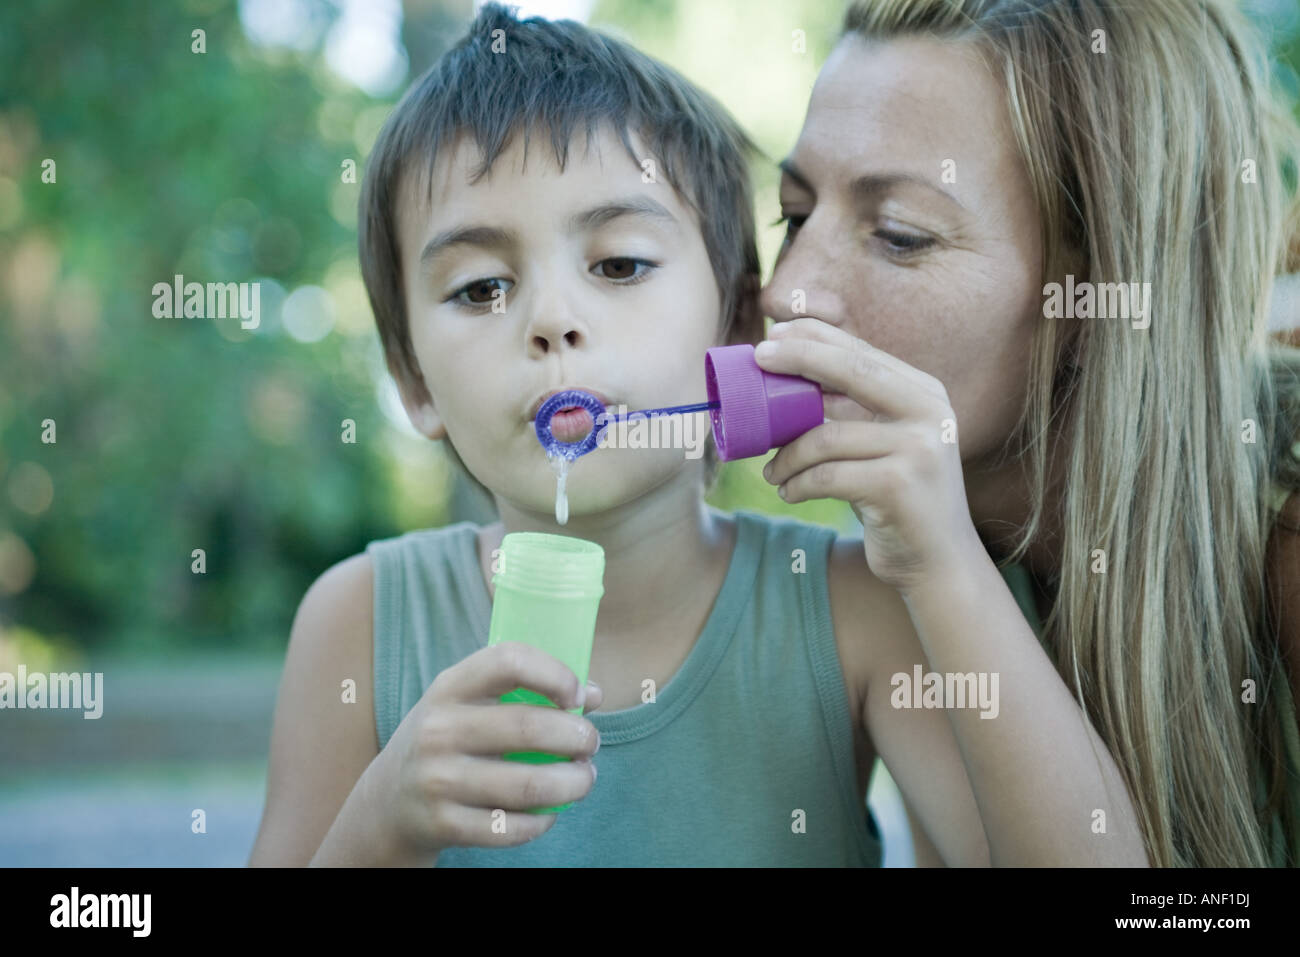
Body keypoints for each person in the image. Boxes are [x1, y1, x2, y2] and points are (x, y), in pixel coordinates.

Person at [247, 3, 1147, 867]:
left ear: (738, 333)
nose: (552, 320)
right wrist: (380, 824)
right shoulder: (359, 621)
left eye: (620, 264)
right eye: (481, 287)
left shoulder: (852, 608)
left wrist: (943, 559)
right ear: (412, 381)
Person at [755, 0, 1300, 867]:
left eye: (899, 235)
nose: (787, 292)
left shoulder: (1283, 541)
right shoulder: (904, 566)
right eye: (794, 213)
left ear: (1098, 291)